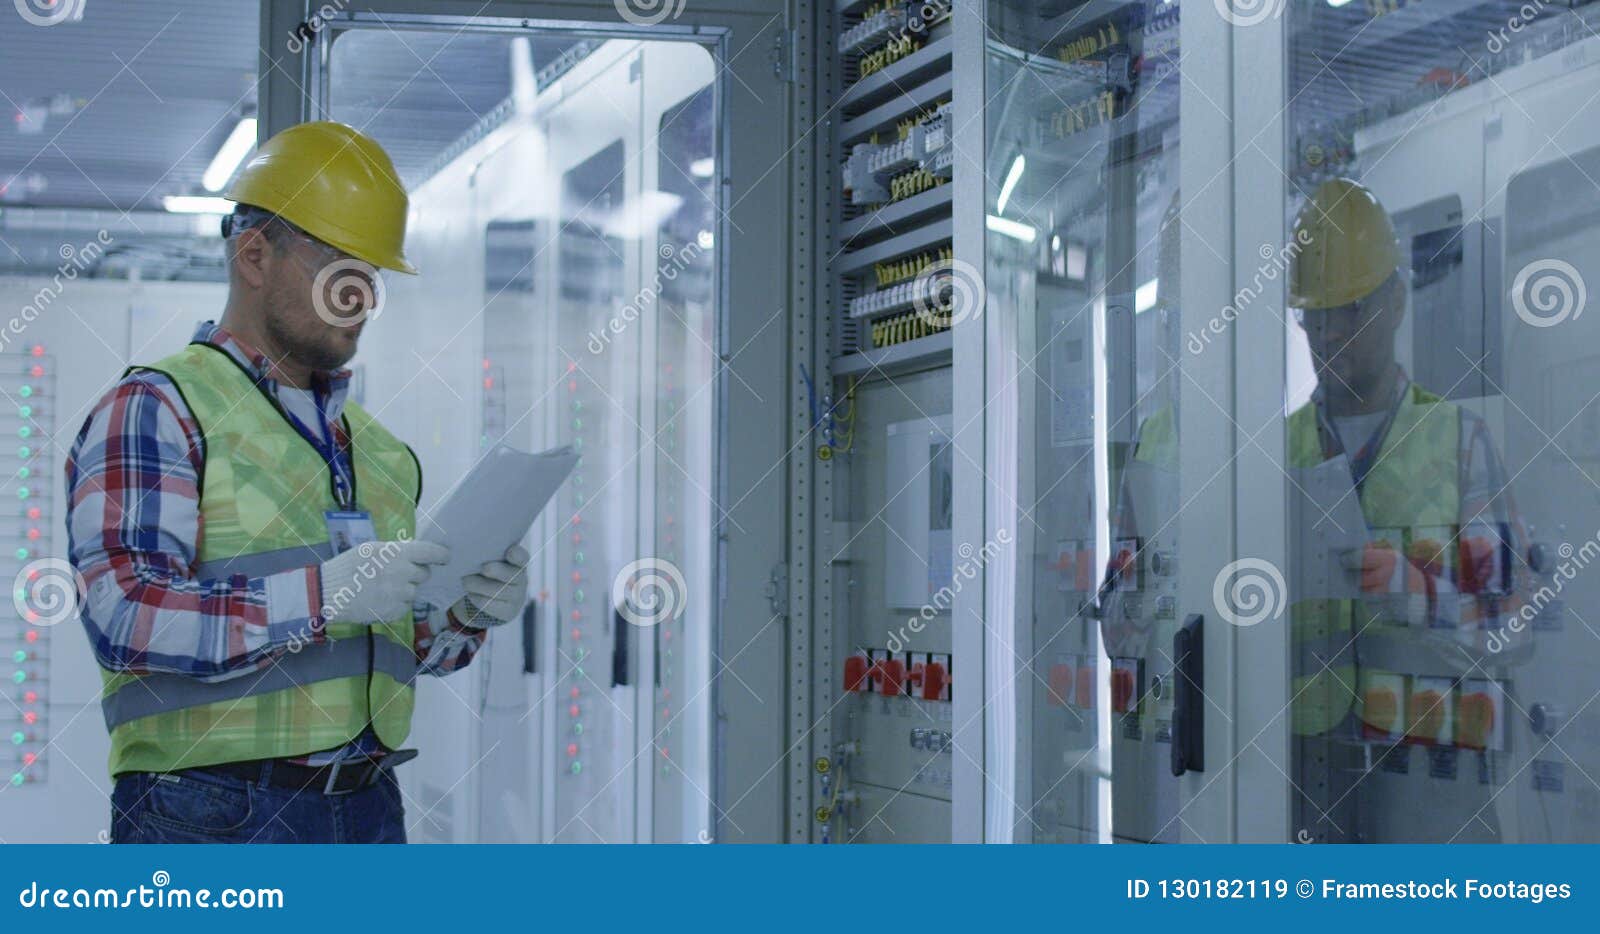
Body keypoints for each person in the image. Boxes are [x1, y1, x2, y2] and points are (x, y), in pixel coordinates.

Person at [65, 121, 530, 844]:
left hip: (369, 806)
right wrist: (324, 594)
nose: (363, 298)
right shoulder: (157, 410)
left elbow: (389, 646)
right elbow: (125, 618)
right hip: (209, 815)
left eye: (372, 275)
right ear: (255, 254)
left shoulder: (377, 451)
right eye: (342, 269)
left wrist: (465, 615)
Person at [1287, 177, 1527, 843]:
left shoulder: (1458, 444)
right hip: (1311, 795)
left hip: (1435, 804)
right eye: (1315, 316)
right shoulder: (1276, 454)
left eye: (1350, 309)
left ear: (1394, 302)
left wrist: (1415, 591)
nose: (1330, 333)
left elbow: (1516, 628)